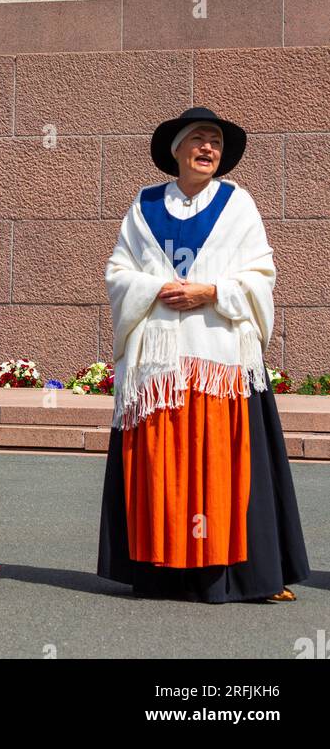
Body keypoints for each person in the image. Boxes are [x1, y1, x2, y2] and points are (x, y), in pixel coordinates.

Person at [97, 106, 310, 602]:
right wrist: (157, 286)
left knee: (223, 461)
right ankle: (164, 570)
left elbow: (261, 276)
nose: (208, 148)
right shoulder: (144, 205)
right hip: (160, 368)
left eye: (214, 141)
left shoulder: (237, 204)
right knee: (162, 463)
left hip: (219, 362)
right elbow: (118, 273)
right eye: (198, 139)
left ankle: (236, 575)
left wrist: (210, 292)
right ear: (176, 151)